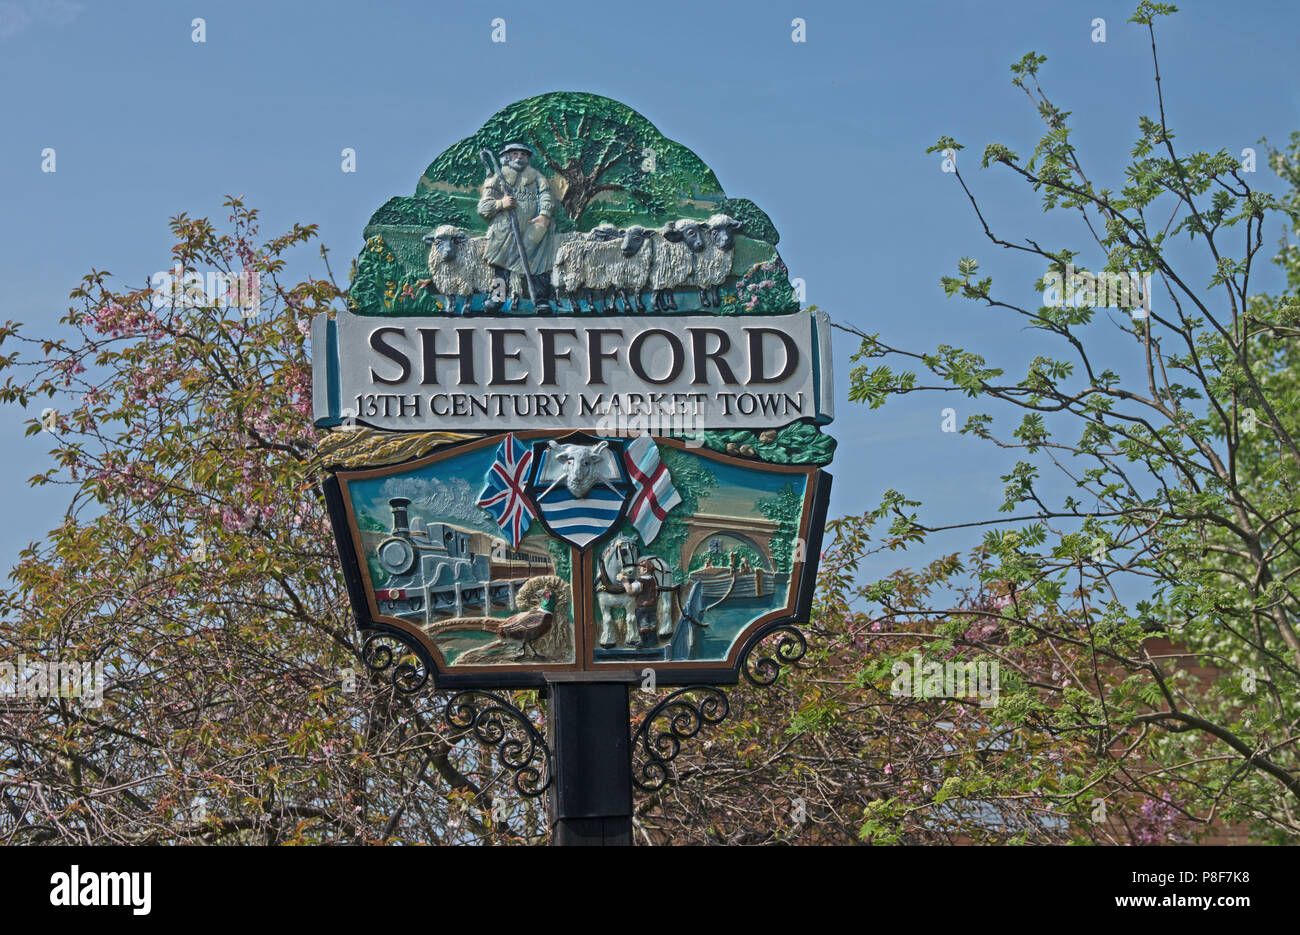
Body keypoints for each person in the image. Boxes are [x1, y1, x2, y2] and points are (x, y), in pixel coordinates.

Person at [477, 143, 556, 312]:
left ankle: (541, 300)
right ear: (506, 157)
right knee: (501, 267)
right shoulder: (498, 178)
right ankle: (497, 298)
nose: (520, 157)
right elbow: (483, 207)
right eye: (515, 154)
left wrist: (544, 215)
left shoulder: (537, 177)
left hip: (534, 229)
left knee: (539, 266)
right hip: (506, 231)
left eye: (523, 154)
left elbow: (546, 195)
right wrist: (500, 203)